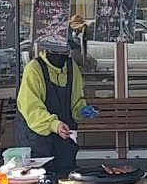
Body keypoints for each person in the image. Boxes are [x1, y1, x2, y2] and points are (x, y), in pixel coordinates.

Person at [15, 44, 96, 173]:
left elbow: (76, 99)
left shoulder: (71, 67)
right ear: (47, 49)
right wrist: (53, 124)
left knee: (67, 177)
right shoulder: (34, 69)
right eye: (57, 50)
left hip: (64, 138)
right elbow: (31, 108)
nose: (61, 54)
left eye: (65, 51)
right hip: (37, 138)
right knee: (40, 178)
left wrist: (81, 109)